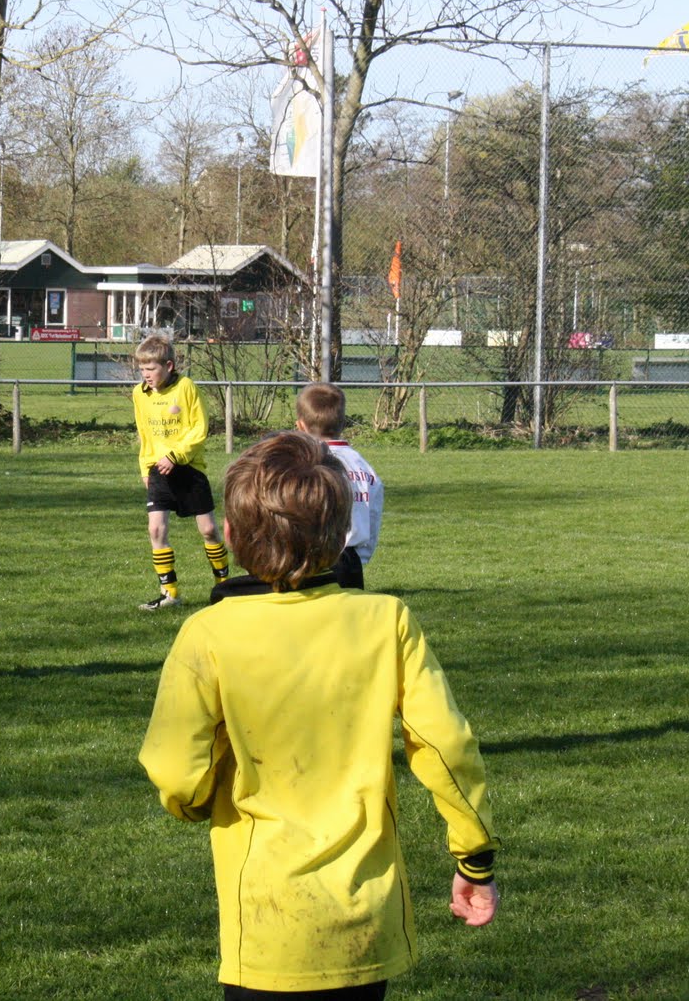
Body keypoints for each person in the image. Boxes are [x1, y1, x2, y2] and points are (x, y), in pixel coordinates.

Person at [139, 431, 499, 999]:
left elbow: (174, 769)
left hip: (263, 916)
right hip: (366, 917)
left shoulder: (208, 633)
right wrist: (473, 859)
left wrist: (192, 804)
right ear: (339, 536)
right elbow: (445, 746)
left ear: (230, 535)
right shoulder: (387, 621)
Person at [131, 334, 230, 610]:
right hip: (157, 471)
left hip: (188, 468)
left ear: (169, 365)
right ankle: (169, 594)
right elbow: (144, 434)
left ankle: (223, 587)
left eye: (151, 369)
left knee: (209, 530)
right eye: (142, 369)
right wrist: (144, 467)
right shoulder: (140, 393)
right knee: (156, 529)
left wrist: (176, 455)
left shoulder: (186, 387)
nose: (146, 375)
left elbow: (199, 428)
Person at [295, 382, 384, 589]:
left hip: (310, 559)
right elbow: (373, 515)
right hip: (350, 563)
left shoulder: (304, 465)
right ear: (343, 423)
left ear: (300, 425)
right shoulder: (364, 468)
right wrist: (360, 558)